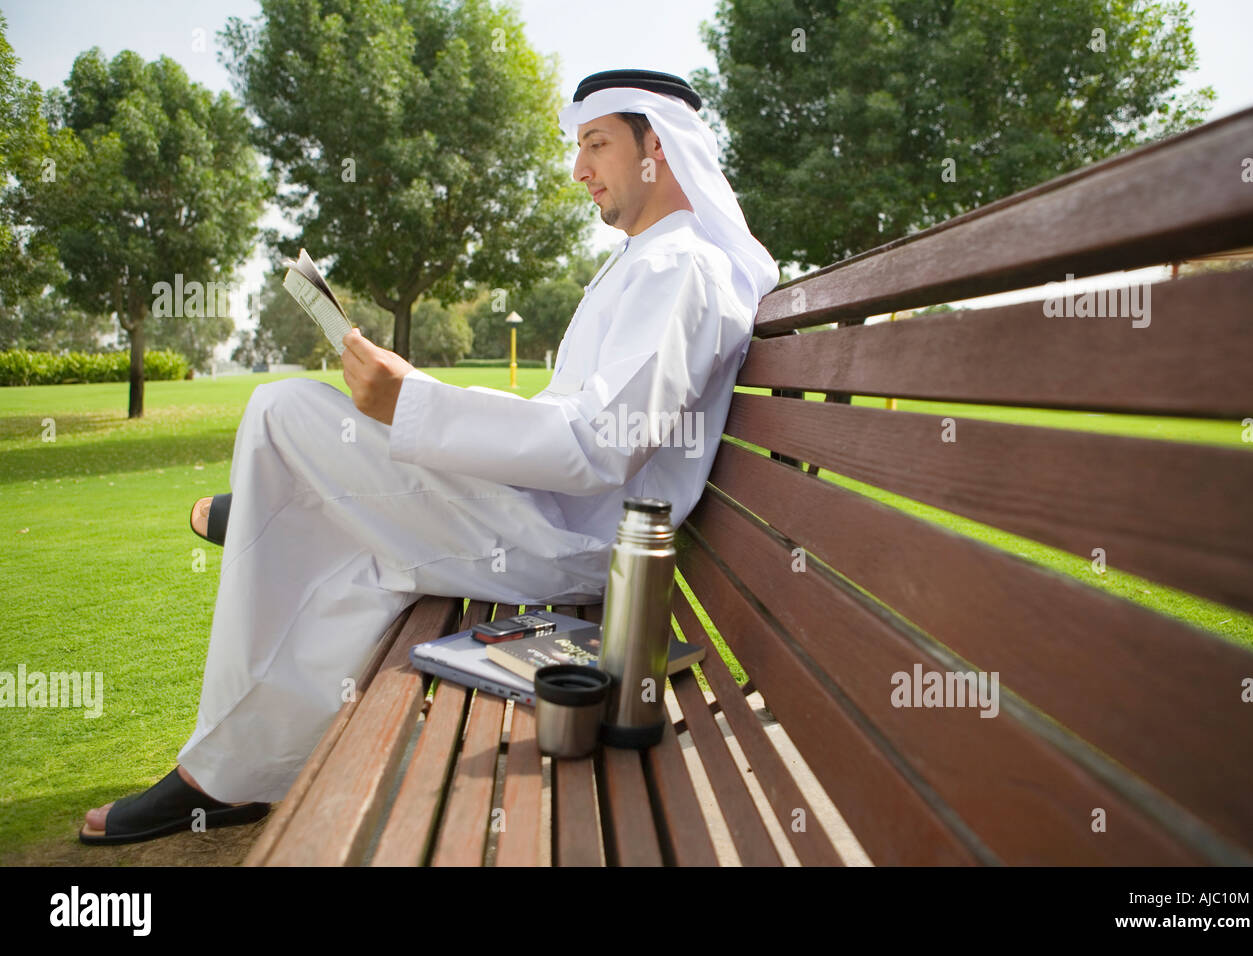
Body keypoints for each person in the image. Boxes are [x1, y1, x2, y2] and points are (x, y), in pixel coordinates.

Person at [79, 68, 779, 845]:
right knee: (352, 555)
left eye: (596, 145)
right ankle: (231, 767)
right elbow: (575, 422)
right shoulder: (652, 260)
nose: (580, 169)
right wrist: (419, 397)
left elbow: (598, 446)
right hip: (540, 511)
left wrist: (413, 402)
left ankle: (286, 525)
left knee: (282, 414)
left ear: (660, 146)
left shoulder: (680, 267)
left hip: (570, 541)